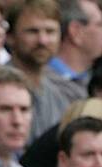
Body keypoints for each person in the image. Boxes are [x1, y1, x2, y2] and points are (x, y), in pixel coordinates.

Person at [8, 0, 87, 141]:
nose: (42, 40)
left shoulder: (65, 92)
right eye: (32, 31)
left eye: (50, 32)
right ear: (10, 37)